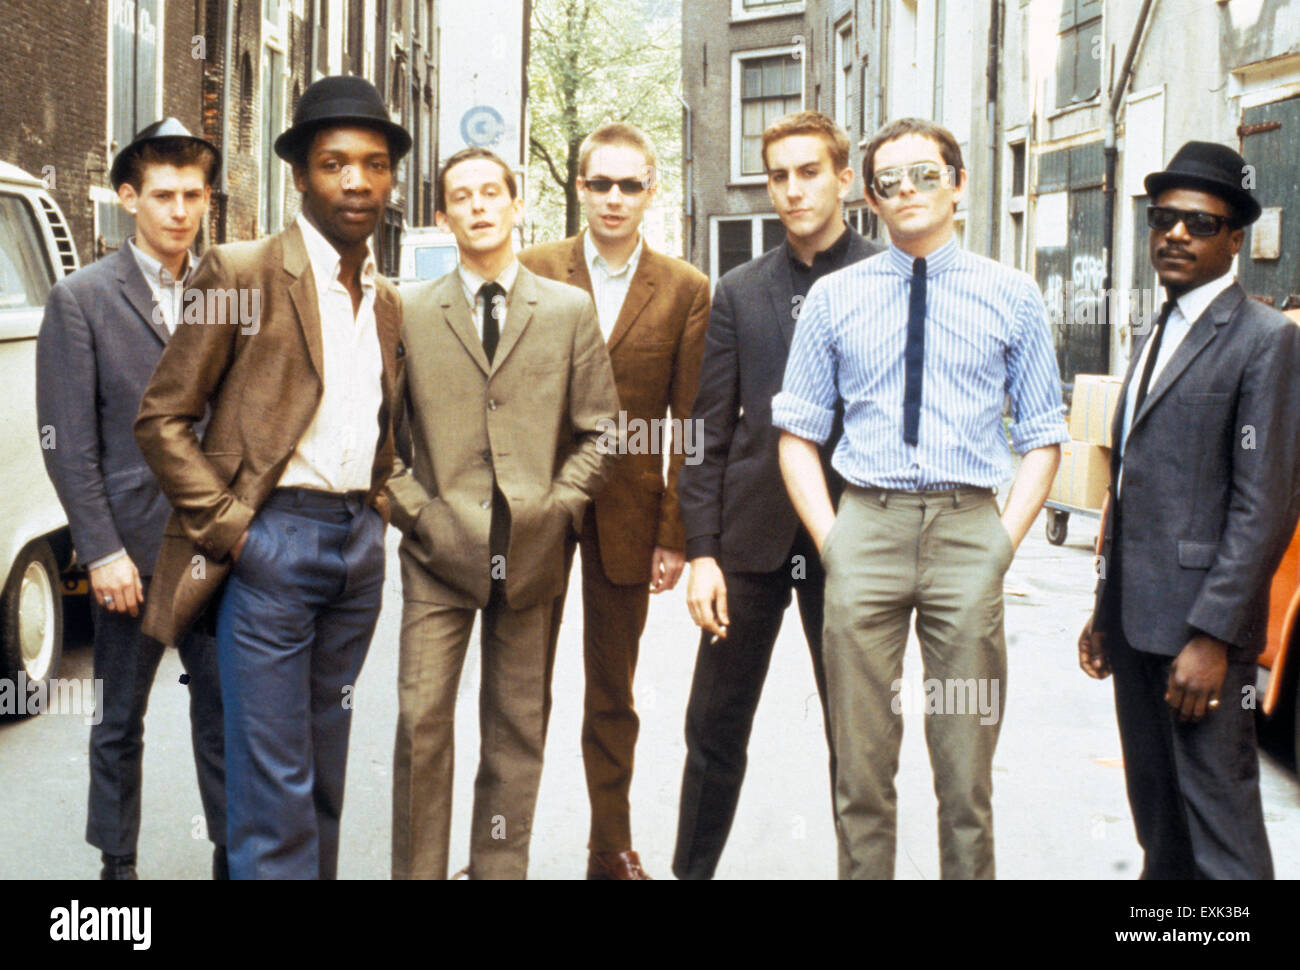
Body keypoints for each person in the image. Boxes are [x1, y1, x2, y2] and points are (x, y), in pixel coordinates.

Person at [773, 117, 1068, 879]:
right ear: (870, 197)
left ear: (959, 186)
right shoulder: (835, 300)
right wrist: (835, 541)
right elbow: (797, 434)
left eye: (926, 175)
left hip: (968, 528)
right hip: (864, 525)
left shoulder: (1013, 296)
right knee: (861, 770)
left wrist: (999, 543)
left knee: (964, 770)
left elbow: (1042, 435)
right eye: (890, 180)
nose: (908, 190)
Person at [134, 76, 409, 879]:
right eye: (334, 164)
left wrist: (381, 521)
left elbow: (383, 433)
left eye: (373, 164)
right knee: (273, 793)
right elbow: (162, 418)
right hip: (270, 547)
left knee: (322, 781)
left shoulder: (386, 301)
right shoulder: (241, 272)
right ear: (299, 175)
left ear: (391, 178)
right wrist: (238, 533)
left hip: (356, 553)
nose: (356, 181)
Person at [389, 147, 620, 880]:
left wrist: (558, 507)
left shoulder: (566, 310)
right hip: (437, 552)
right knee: (421, 725)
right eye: (463, 196)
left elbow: (603, 430)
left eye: (493, 193)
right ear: (442, 214)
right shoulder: (410, 313)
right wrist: (419, 516)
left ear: (518, 206)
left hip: (532, 550)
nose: (480, 206)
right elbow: (379, 443)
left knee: (516, 728)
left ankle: (498, 869)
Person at [1078, 141, 1300, 879]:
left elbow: (1263, 505)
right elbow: (1133, 482)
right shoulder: (1157, 331)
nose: (1175, 234)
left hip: (1199, 643)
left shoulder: (1266, 342)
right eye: (1164, 218)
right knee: (1161, 829)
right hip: (1138, 628)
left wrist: (1211, 639)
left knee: (1222, 839)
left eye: (1199, 224)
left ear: (1235, 240)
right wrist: (1104, 608)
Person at [672, 111, 881, 880]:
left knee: (856, 739)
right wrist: (701, 554)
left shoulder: (888, 278)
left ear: (843, 179)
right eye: (779, 176)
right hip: (749, 543)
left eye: (809, 172)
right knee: (712, 729)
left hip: (855, 541)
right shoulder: (738, 291)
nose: (792, 190)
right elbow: (706, 433)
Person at [36, 118, 226, 880]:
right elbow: (69, 442)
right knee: (118, 721)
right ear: (128, 199)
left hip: (218, 552)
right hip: (131, 558)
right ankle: (118, 868)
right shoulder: (80, 299)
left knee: (227, 719)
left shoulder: (229, 290)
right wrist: (103, 551)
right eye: (163, 195)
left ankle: (232, 855)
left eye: (193, 195)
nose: (180, 211)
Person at [519, 122, 709, 880]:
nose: (614, 198)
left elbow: (689, 424)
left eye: (631, 185)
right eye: (601, 183)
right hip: (537, 506)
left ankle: (611, 847)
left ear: (651, 192)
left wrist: (676, 531)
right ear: (579, 187)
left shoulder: (686, 290)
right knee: (518, 687)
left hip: (628, 514)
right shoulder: (533, 267)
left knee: (612, 694)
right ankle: (502, 850)